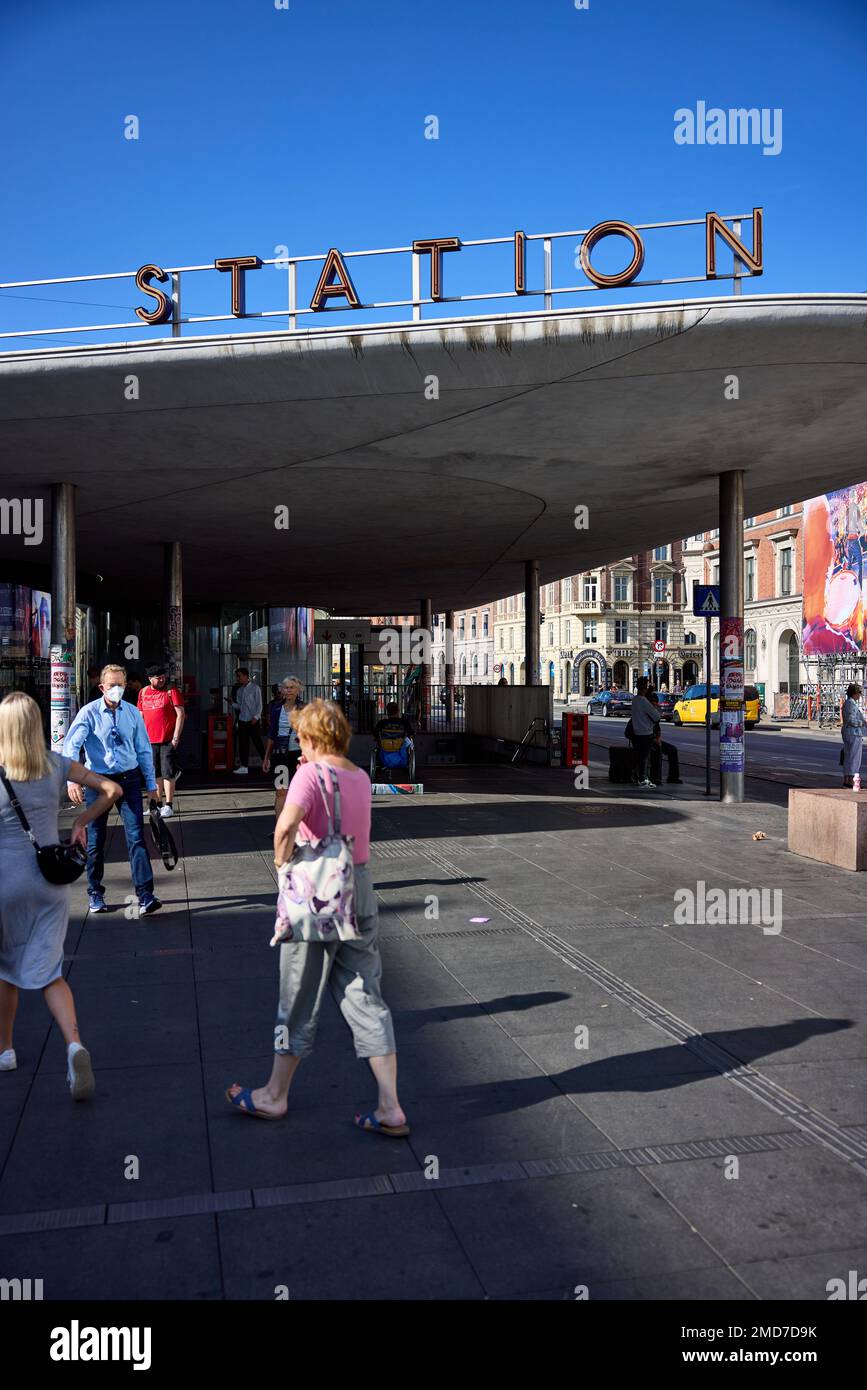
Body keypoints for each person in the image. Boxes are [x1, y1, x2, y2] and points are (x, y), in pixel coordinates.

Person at [226, 699, 408, 1136]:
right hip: (358, 887)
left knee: (298, 994)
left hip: (318, 893)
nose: (300, 748)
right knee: (366, 995)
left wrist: (281, 864)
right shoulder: (361, 776)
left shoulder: (310, 773)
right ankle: (390, 1107)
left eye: (301, 738)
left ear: (310, 737)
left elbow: (285, 827)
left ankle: (274, 1095)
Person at [0, 691, 120, 1096]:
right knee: (51, 973)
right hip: (50, 885)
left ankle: (6, 1049)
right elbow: (111, 789)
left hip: (6, 887)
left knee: (5, 971)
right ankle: (73, 1044)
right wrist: (82, 820)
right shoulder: (55, 765)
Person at [63, 663, 162, 916]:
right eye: (111, 685)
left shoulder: (132, 713)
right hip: (98, 781)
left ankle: (146, 894)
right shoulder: (89, 713)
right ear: (102, 687)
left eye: (120, 684)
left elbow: (143, 750)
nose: (116, 689)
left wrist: (151, 785)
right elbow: (72, 747)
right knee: (96, 841)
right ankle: (95, 892)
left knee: (137, 838)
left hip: (128, 780)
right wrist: (72, 780)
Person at [138, 665, 185, 818]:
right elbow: (140, 715)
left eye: (163, 676)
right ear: (149, 679)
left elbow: (180, 714)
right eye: (158, 678)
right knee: (154, 772)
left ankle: (168, 805)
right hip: (149, 740)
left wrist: (176, 737)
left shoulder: (171, 691)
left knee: (168, 772)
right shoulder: (143, 692)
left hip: (167, 739)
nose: (162, 679)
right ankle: (156, 804)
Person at [262, 677, 304, 818]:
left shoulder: (304, 709)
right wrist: (266, 757)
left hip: (299, 755)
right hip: (280, 755)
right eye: (286, 687)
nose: (288, 690)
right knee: (281, 791)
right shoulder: (276, 708)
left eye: (292, 687)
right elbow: (272, 733)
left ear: (298, 691)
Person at [630, 677, 661, 787]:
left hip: (636, 732)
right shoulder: (643, 701)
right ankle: (643, 778)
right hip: (646, 733)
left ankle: (637, 776)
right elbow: (656, 717)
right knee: (644, 757)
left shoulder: (634, 700)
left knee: (639, 756)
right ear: (645, 688)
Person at [233, 667, 265, 775]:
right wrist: (231, 704)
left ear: (246, 676)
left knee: (257, 742)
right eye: (237, 676)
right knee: (243, 743)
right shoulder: (240, 690)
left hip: (253, 720)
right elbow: (240, 706)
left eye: (239, 676)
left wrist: (256, 717)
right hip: (243, 719)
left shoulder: (255, 688)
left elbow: (259, 704)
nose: (238, 678)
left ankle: (266, 761)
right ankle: (244, 766)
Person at [841, 683, 866, 787]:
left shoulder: (848, 703)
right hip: (853, 733)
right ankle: (852, 781)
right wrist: (862, 723)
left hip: (848, 732)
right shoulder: (851, 704)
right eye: (859, 693)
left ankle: (846, 779)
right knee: (855, 758)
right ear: (855, 693)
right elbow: (851, 720)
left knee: (848, 757)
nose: (860, 696)